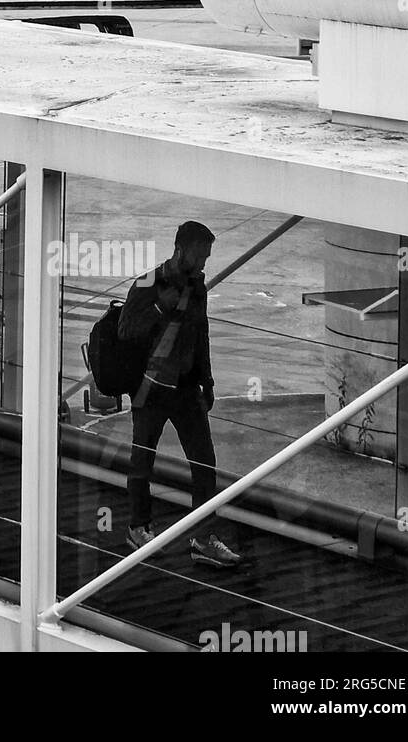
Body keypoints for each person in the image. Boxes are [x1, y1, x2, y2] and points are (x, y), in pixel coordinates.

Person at [118, 220, 243, 569]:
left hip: (187, 388)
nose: (204, 261)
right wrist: (160, 307)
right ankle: (138, 528)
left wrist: (209, 381)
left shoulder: (197, 286)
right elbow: (126, 330)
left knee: (204, 464)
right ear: (181, 250)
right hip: (152, 387)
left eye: (206, 256)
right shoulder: (148, 282)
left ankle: (202, 536)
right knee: (142, 459)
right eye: (201, 254)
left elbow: (200, 334)